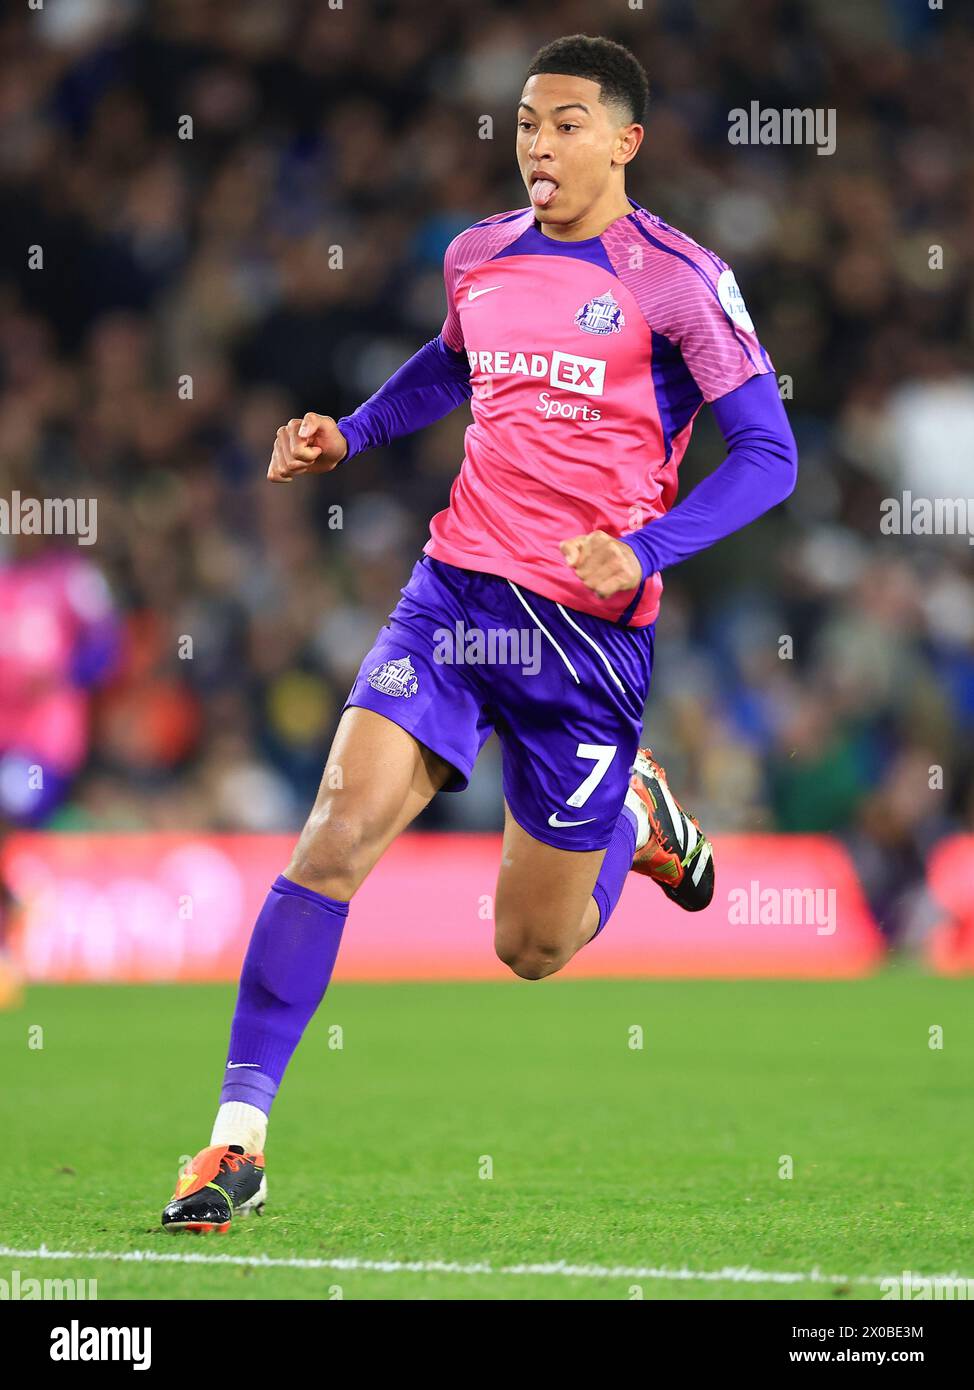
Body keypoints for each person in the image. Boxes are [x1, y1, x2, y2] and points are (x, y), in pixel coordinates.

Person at [162, 33, 796, 1232]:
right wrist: (348, 433)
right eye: (521, 124)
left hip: (588, 639)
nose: (535, 145)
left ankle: (634, 814)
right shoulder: (477, 256)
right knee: (333, 834)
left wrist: (645, 549)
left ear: (624, 140)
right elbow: (449, 369)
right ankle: (234, 1140)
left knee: (531, 947)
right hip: (452, 597)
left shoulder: (676, 278)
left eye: (563, 123)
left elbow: (769, 455)